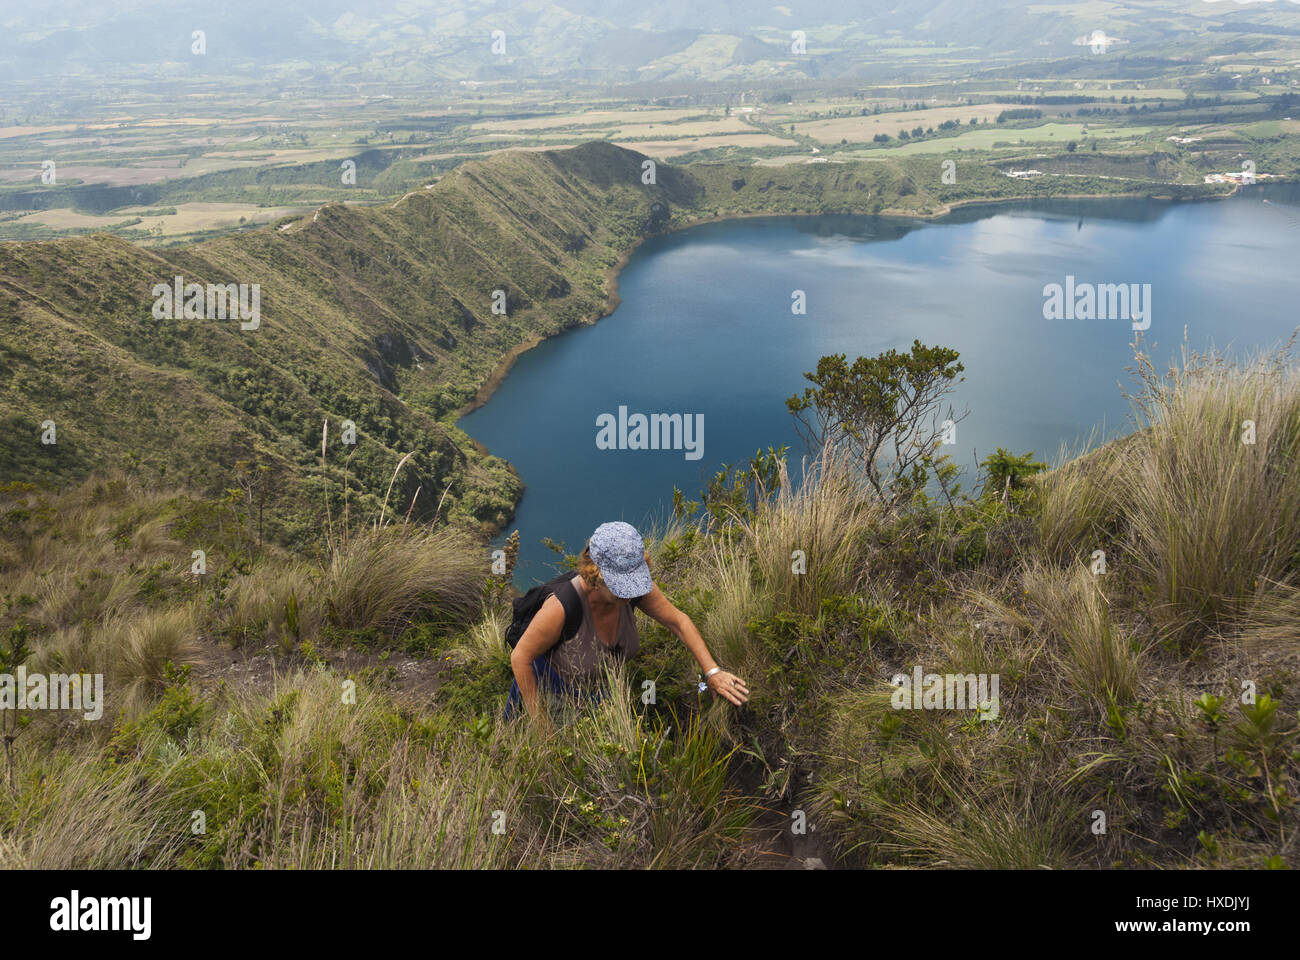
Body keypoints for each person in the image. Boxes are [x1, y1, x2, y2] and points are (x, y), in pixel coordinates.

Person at [506, 521, 749, 728]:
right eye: (620, 584)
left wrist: (713, 673)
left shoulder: (636, 591)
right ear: (595, 573)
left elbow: (679, 622)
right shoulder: (562, 606)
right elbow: (521, 657)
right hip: (551, 694)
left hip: (601, 693)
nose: (629, 593)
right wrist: (541, 728)